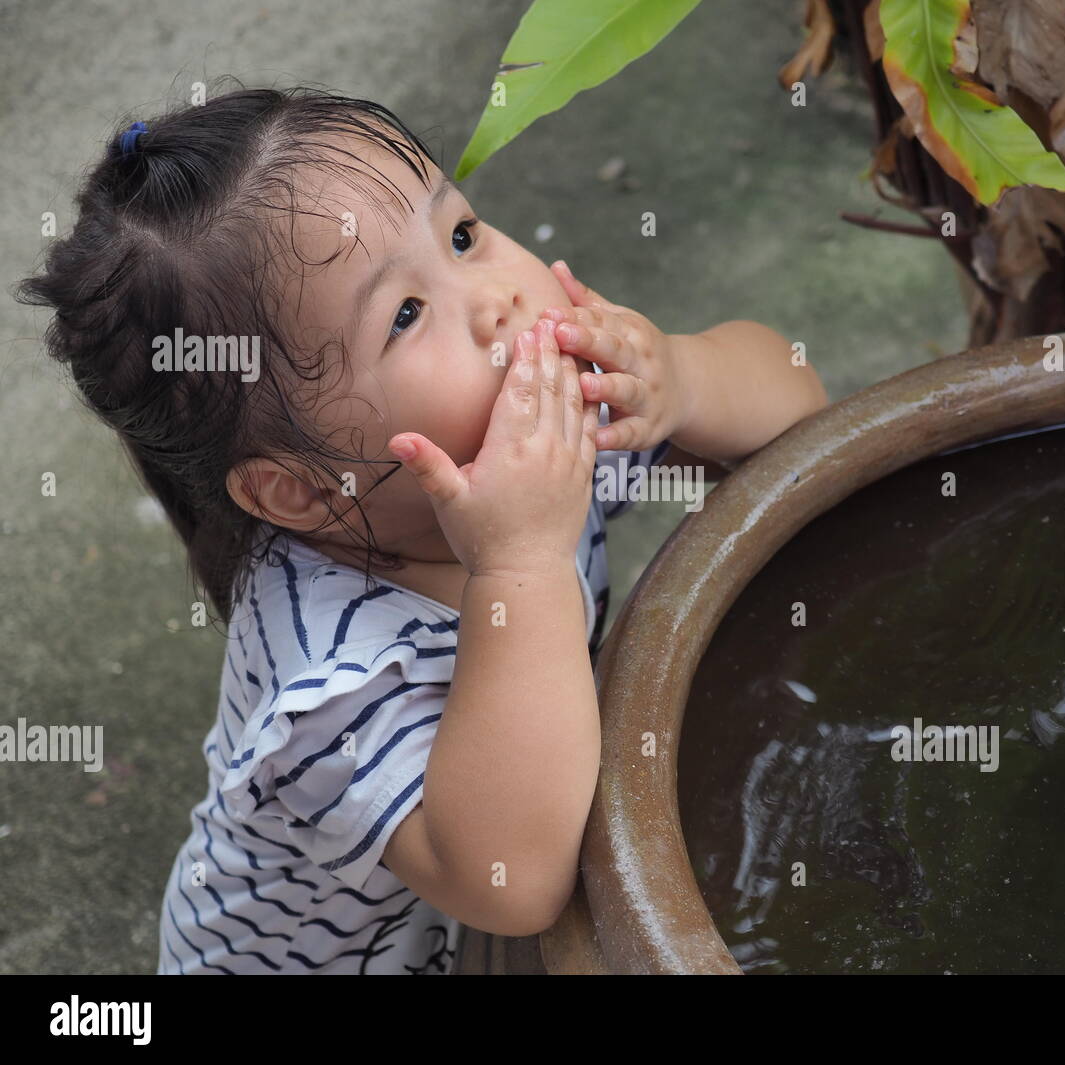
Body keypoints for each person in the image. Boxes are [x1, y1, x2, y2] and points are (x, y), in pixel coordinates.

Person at [15, 84, 829, 973]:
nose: (494, 300)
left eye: (464, 236)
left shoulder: (529, 428)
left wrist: (682, 374)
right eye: (405, 314)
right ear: (299, 490)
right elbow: (513, 879)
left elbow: (802, 423)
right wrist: (522, 560)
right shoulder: (330, 674)